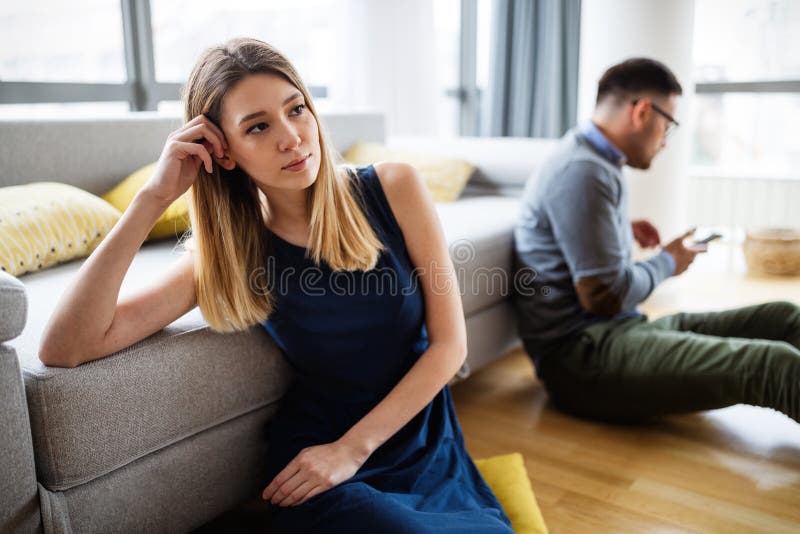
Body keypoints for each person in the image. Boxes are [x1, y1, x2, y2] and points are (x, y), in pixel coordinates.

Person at [38, 37, 513, 533]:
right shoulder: (230, 256)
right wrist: (152, 198)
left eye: (296, 109)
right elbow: (66, 347)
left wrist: (351, 451)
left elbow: (449, 345)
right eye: (258, 127)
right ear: (222, 152)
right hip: (317, 441)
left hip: (413, 431)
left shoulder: (394, 188)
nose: (291, 137)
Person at [512, 57, 800, 424]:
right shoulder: (583, 172)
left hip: (619, 332)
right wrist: (668, 261)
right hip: (581, 358)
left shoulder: (588, 157)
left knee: (783, 318)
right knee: (771, 364)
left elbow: (572, 237)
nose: (666, 140)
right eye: (669, 124)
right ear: (643, 112)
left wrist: (616, 225)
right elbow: (603, 297)